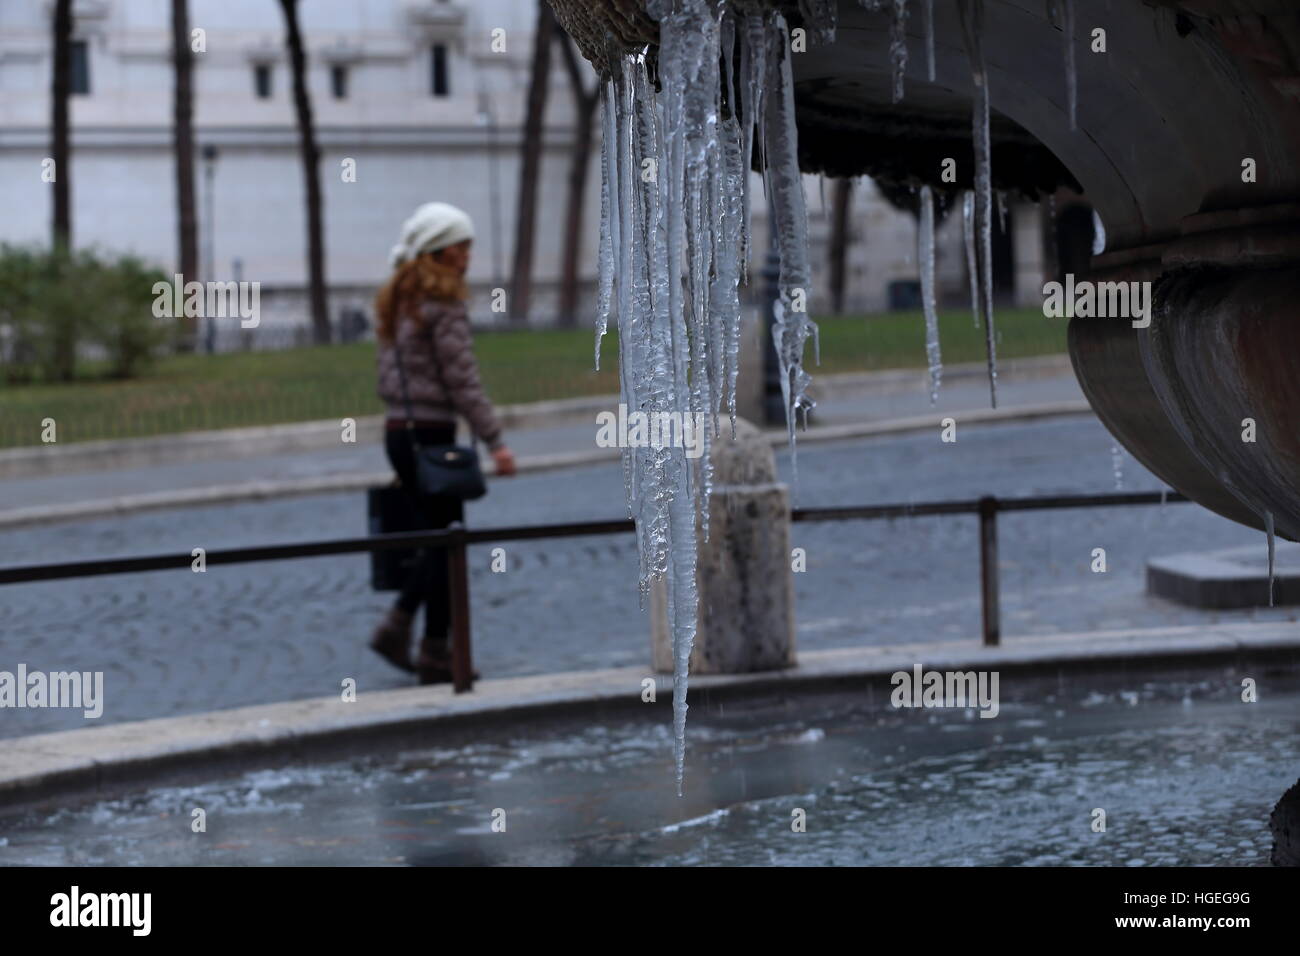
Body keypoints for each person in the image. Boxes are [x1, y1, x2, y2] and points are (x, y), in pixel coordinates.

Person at [370, 202, 516, 684]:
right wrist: (495, 440)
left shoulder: (397, 297)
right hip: (433, 439)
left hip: (398, 433)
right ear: (439, 250)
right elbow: (462, 380)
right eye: (461, 245)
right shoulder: (445, 303)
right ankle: (421, 641)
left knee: (439, 542)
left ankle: (423, 642)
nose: (468, 255)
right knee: (446, 545)